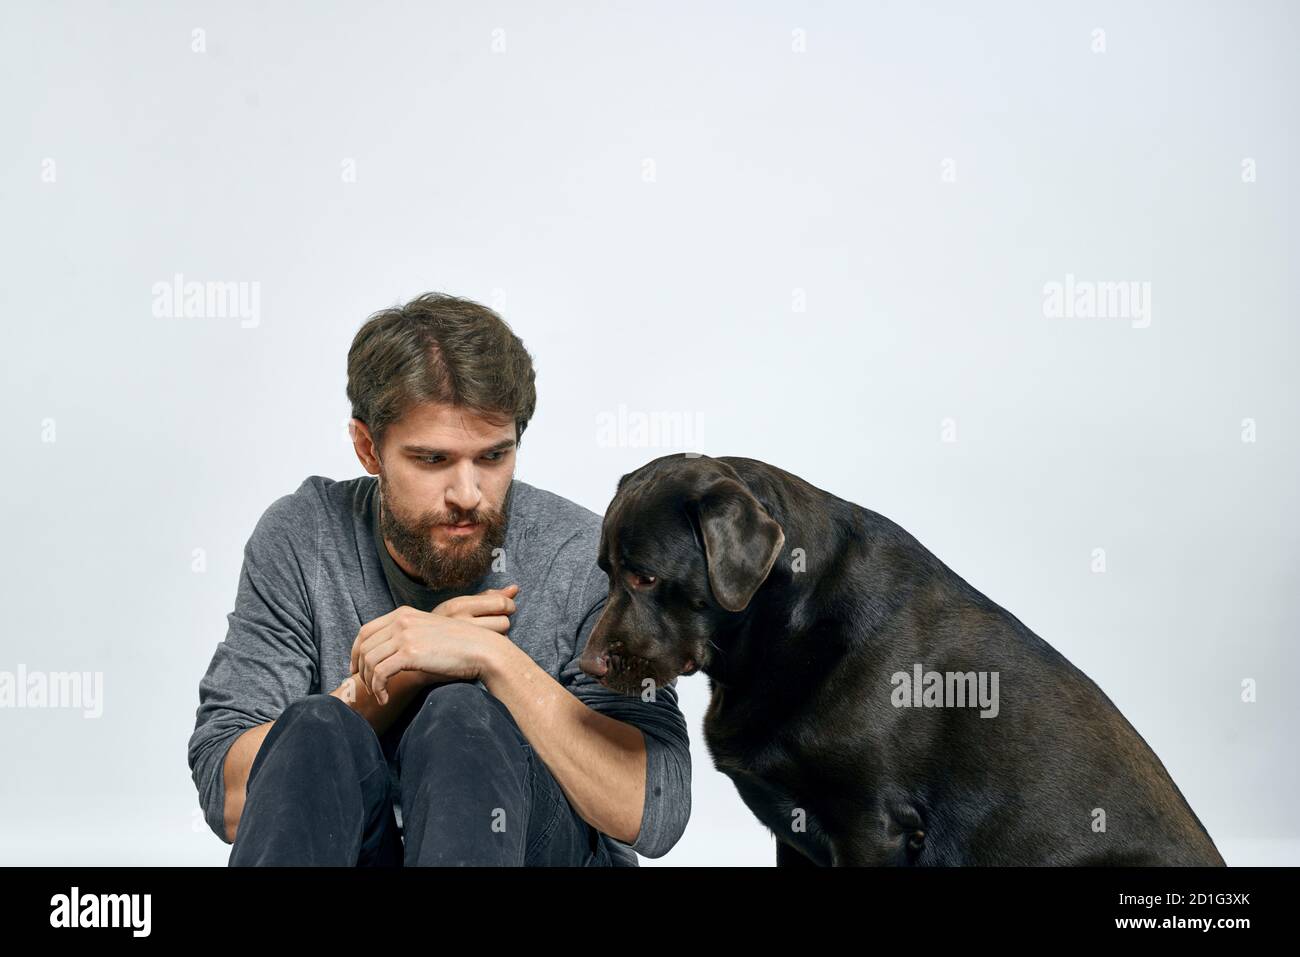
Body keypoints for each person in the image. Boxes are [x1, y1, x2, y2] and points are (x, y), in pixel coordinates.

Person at [186, 292, 691, 866]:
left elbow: (656, 812)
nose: (468, 495)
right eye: (433, 460)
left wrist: (491, 658)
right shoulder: (305, 537)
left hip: (535, 851)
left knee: (461, 719)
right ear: (368, 448)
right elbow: (227, 797)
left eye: (493, 457)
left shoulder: (582, 555)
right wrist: (394, 676)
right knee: (315, 725)